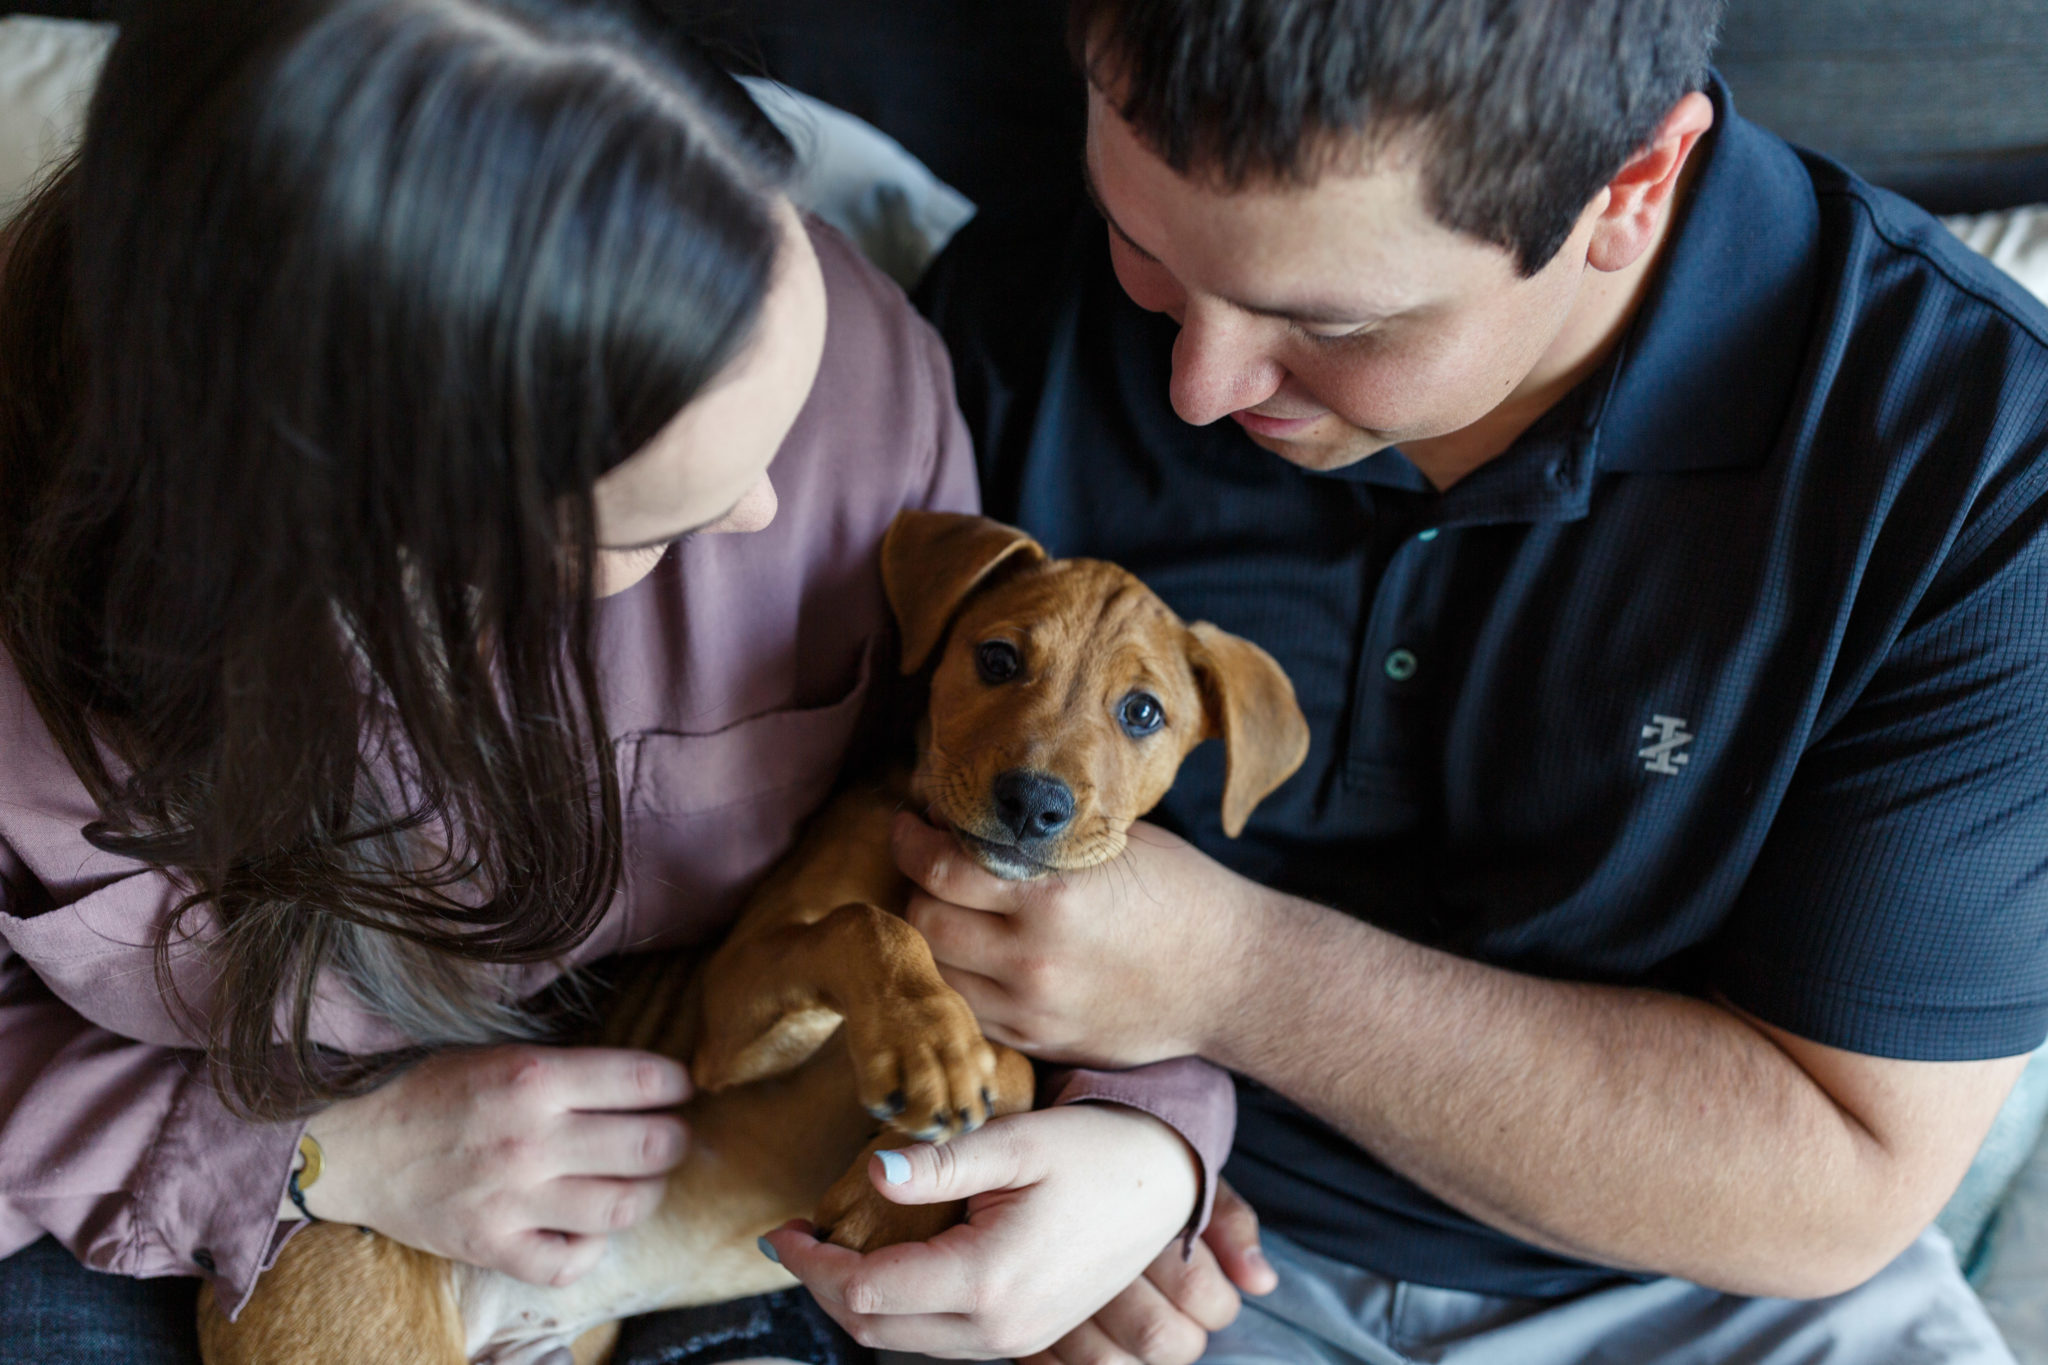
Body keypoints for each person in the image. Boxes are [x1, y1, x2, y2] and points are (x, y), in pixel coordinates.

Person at [760, 1, 2048, 1362]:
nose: (1199, 382)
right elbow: (832, 832)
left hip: (1704, 1286)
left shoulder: (1982, 479)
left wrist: (1233, 972)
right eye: (1146, 247)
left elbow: (1834, 1182)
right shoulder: (1025, 301)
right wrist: (1115, 1151)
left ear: (1632, 188)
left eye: (1335, 322)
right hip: (1143, 1213)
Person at [0, 2, 1232, 1361]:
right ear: (370, 532)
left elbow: (989, 794)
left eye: (784, 391)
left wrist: (1146, 1133)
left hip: (705, 1156)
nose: (773, 510)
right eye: (650, 518)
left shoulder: (871, 398)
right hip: (180, 1181)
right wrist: (307, 1155)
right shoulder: (49, 646)